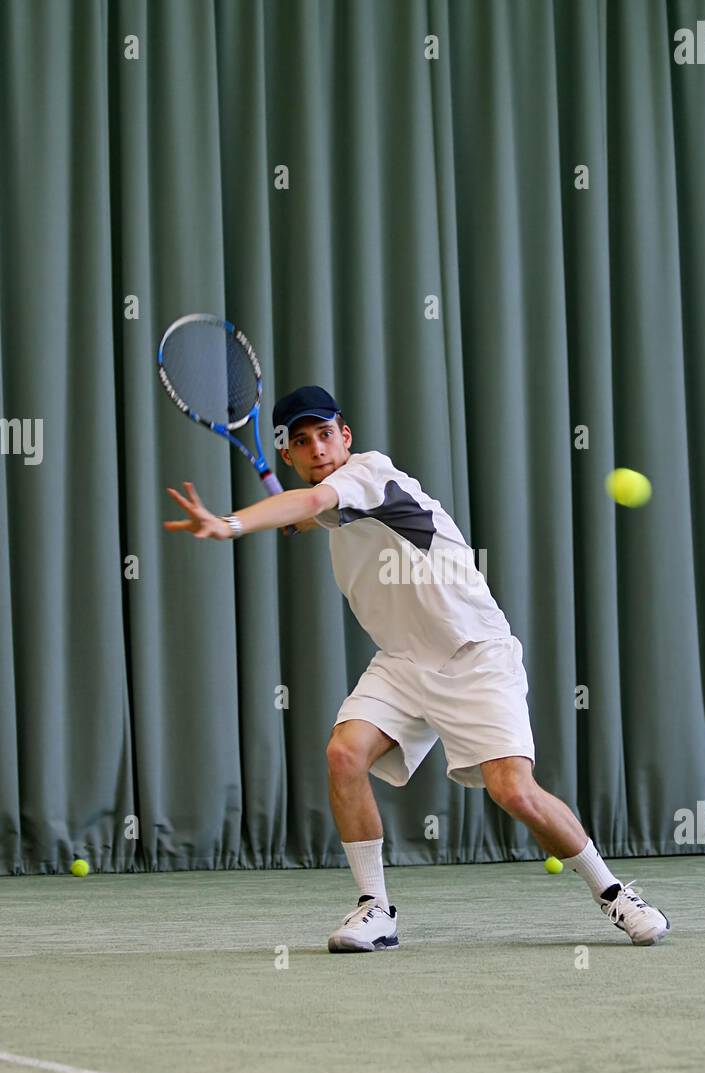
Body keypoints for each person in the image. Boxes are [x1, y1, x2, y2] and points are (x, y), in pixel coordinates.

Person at [165, 385, 670, 952]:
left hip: (474, 653)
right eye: (302, 442)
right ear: (287, 455)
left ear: (345, 436)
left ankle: (616, 894)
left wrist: (230, 524)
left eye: (326, 435)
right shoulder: (338, 502)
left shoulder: (370, 472)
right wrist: (295, 519)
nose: (317, 449)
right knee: (343, 754)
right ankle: (375, 909)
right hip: (404, 663)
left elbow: (308, 506)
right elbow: (312, 514)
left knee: (514, 791)